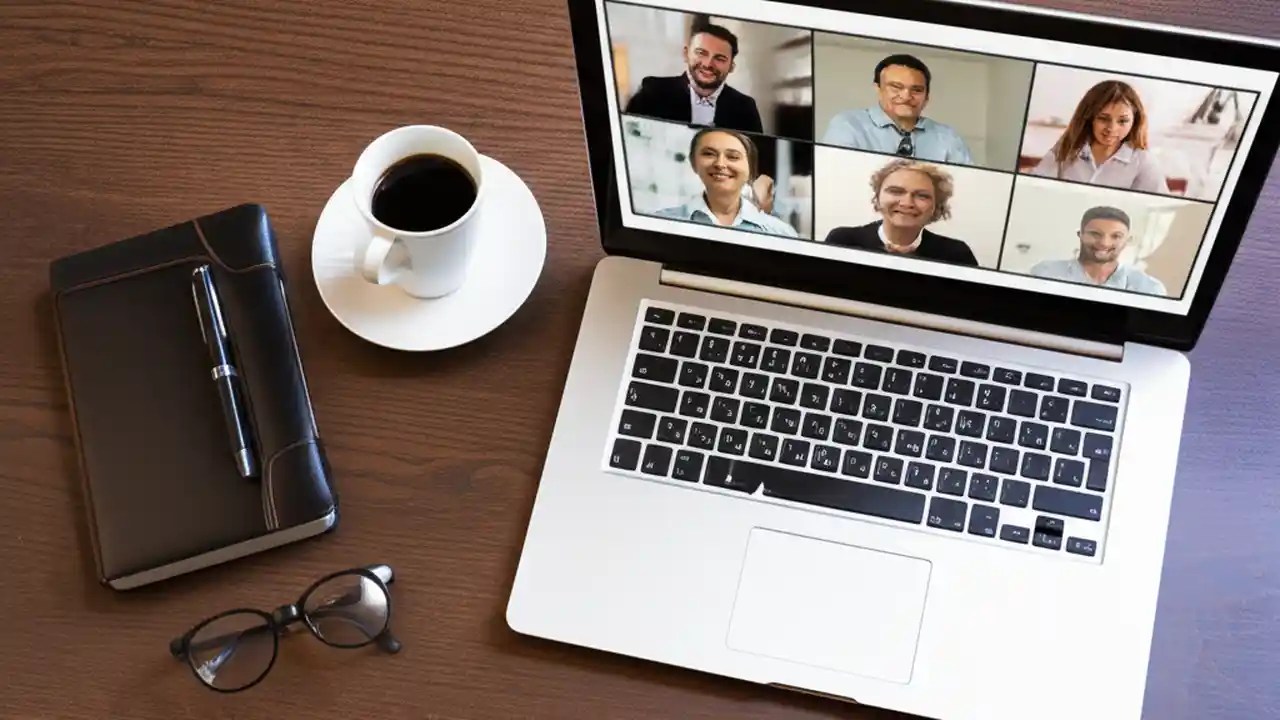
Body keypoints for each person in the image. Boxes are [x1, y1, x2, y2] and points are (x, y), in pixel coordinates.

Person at [821, 54, 973, 164]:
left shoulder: (948, 137)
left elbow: (966, 186)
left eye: (917, 90)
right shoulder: (848, 126)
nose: (906, 96)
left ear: (927, 97)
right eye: (896, 87)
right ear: (878, 89)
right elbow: (836, 178)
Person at [823, 158, 978, 265]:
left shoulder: (957, 254)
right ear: (877, 197)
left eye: (921, 196)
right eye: (896, 191)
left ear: (936, 206)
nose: (907, 203)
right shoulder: (842, 241)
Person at [1028, 80, 1167, 194]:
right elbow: (1035, 185)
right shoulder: (1067, 147)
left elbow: (1156, 203)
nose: (1112, 129)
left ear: (1134, 121)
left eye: (1123, 121)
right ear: (1090, 117)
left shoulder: (1143, 161)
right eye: (1103, 118)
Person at [652, 128, 798, 237]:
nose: (720, 164)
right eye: (709, 154)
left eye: (733, 157)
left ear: (750, 168)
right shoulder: (660, 222)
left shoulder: (781, 233)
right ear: (693, 162)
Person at [623, 23, 764, 134]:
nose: (708, 64)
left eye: (719, 58)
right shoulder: (652, 91)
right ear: (686, 54)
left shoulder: (745, 107)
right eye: (701, 53)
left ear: (731, 67)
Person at [1028, 206, 1167, 294]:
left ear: (1127, 241)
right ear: (1080, 235)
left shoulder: (1149, 288)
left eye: (1116, 236)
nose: (1104, 243)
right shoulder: (1045, 273)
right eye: (1095, 234)